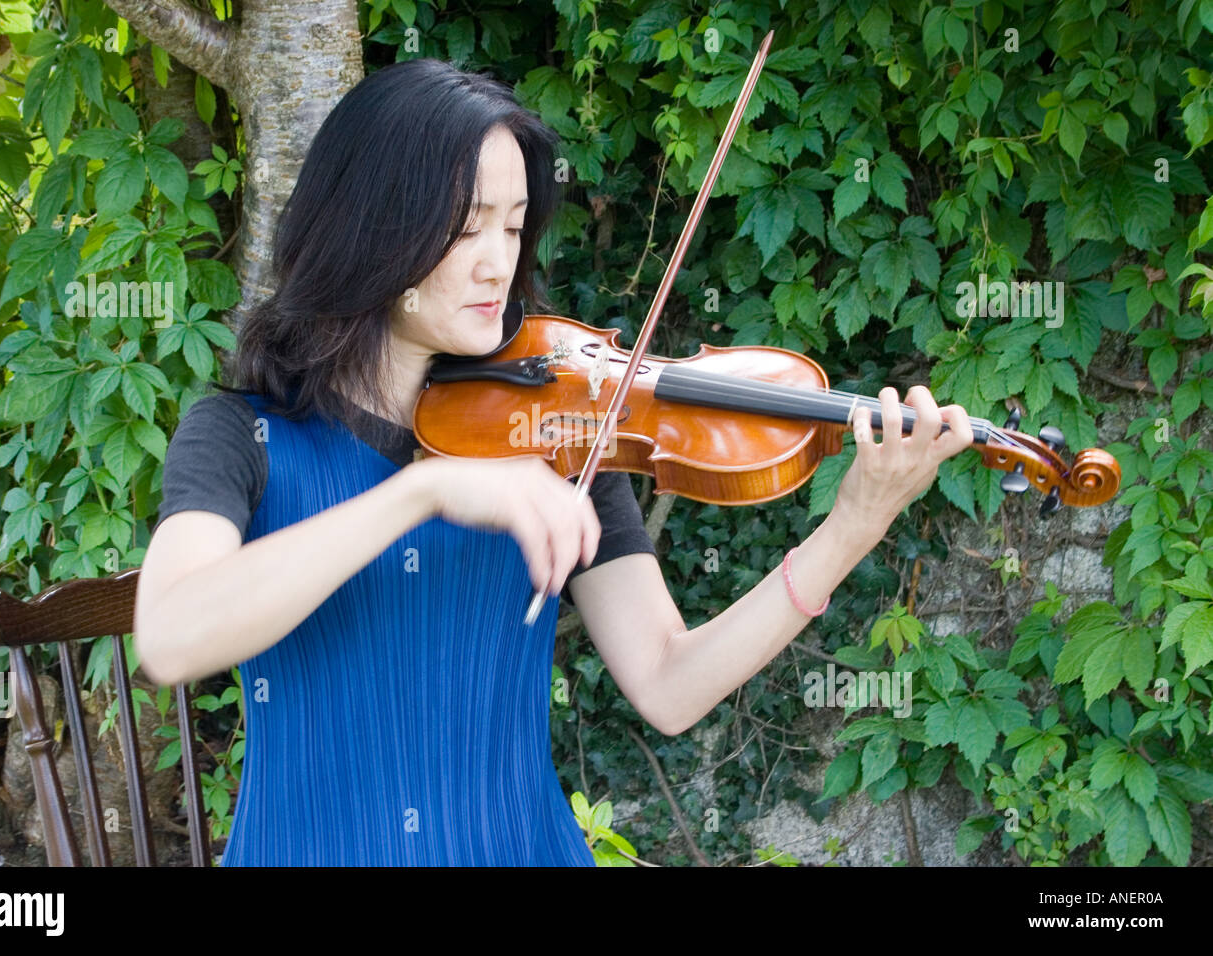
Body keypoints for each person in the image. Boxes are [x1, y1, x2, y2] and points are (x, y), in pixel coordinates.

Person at [133, 58, 975, 866]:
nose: (499, 262)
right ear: (371, 227)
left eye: (512, 224)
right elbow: (171, 638)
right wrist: (423, 491)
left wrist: (855, 525)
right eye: (465, 228)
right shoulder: (239, 436)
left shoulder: (557, 434)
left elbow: (669, 685)